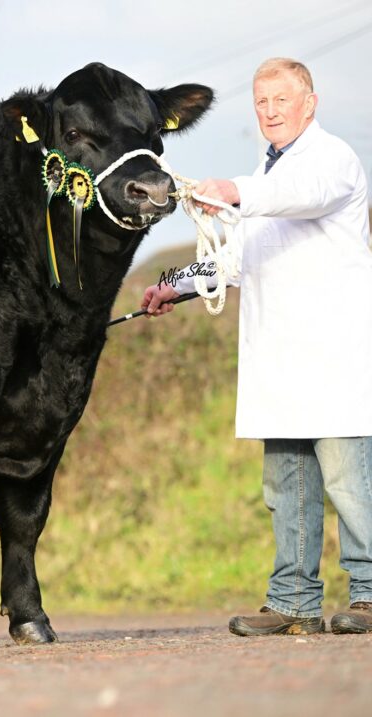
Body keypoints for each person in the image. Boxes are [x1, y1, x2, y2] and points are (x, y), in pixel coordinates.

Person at [141, 57, 372, 636]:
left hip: (334, 357)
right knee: (286, 484)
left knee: (350, 484)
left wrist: (234, 190)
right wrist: (172, 285)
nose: (270, 113)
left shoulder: (330, 161)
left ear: (309, 104)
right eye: (261, 103)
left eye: (281, 101)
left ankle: (369, 595)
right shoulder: (266, 174)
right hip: (279, 361)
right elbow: (234, 260)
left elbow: (300, 195)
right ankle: (293, 601)